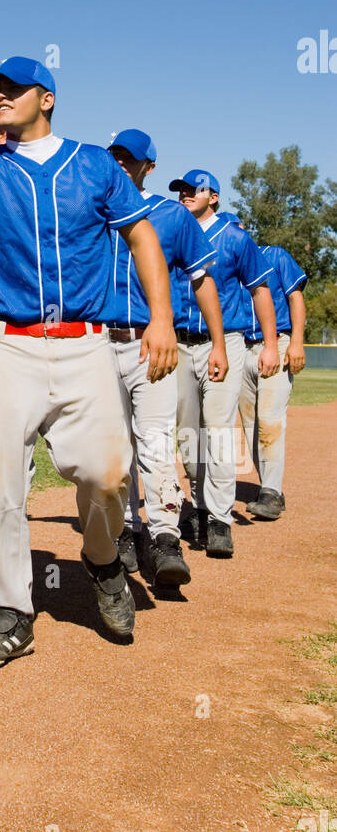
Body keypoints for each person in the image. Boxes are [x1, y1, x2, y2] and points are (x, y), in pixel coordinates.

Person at [0, 37, 177, 667]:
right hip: (7, 348)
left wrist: (161, 317)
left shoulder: (96, 165)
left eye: (12, 89)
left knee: (108, 474)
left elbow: (142, 235)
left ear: (46, 100)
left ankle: (102, 561)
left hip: (86, 346)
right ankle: (12, 610)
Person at [102, 131, 228, 586]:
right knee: (113, 448)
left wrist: (218, 342)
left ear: (147, 166)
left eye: (128, 158)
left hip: (152, 342)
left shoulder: (173, 215)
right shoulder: (94, 207)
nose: (118, 163)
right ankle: (124, 532)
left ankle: (164, 539)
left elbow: (201, 280)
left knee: (155, 441)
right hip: (96, 342)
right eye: (112, 155)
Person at [169, 169, 279, 558]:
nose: (185, 194)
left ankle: (219, 520)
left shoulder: (234, 238)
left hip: (226, 343)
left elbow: (260, 289)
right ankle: (197, 507)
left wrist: (269, 345)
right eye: (181, 188)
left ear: (213, 196)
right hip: (180, 344)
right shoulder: (174, 232)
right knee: (186, 433)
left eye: (194, 189)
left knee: (216, 430)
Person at [238, 243, 307, 520]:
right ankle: (271, 487)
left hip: (277, 342)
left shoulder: (275, 255)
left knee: (269, 418)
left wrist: (297, 343)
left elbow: (296, 298)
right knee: (251, 425)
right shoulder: (229, 263)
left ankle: (270, 492)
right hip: (241, 348)